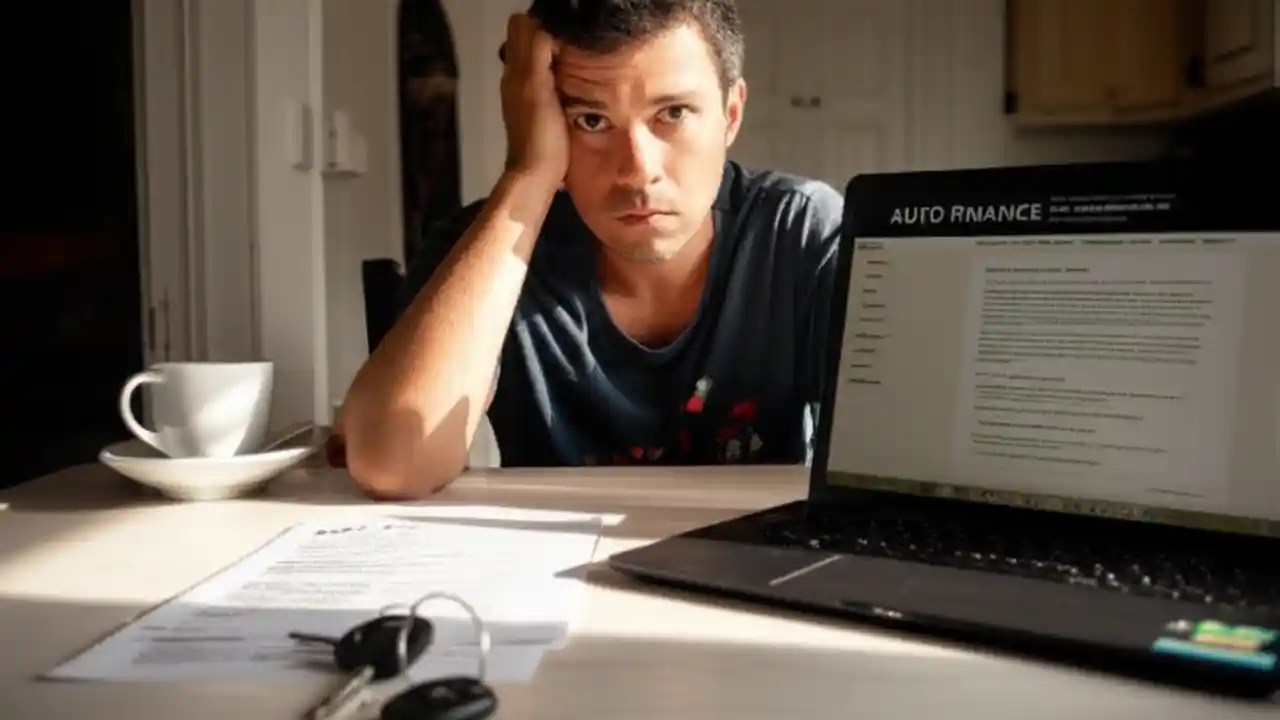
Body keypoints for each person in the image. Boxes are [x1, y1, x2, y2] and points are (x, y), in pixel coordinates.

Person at [333, 0, 844, 499]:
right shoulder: (488, 248)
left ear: (730, 115)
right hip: (551, 571)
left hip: (756, 566)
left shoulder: (798, 231)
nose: (638, 169)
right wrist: (527, 175)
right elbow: (393, 464)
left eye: (673, 113)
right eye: (591, 122)